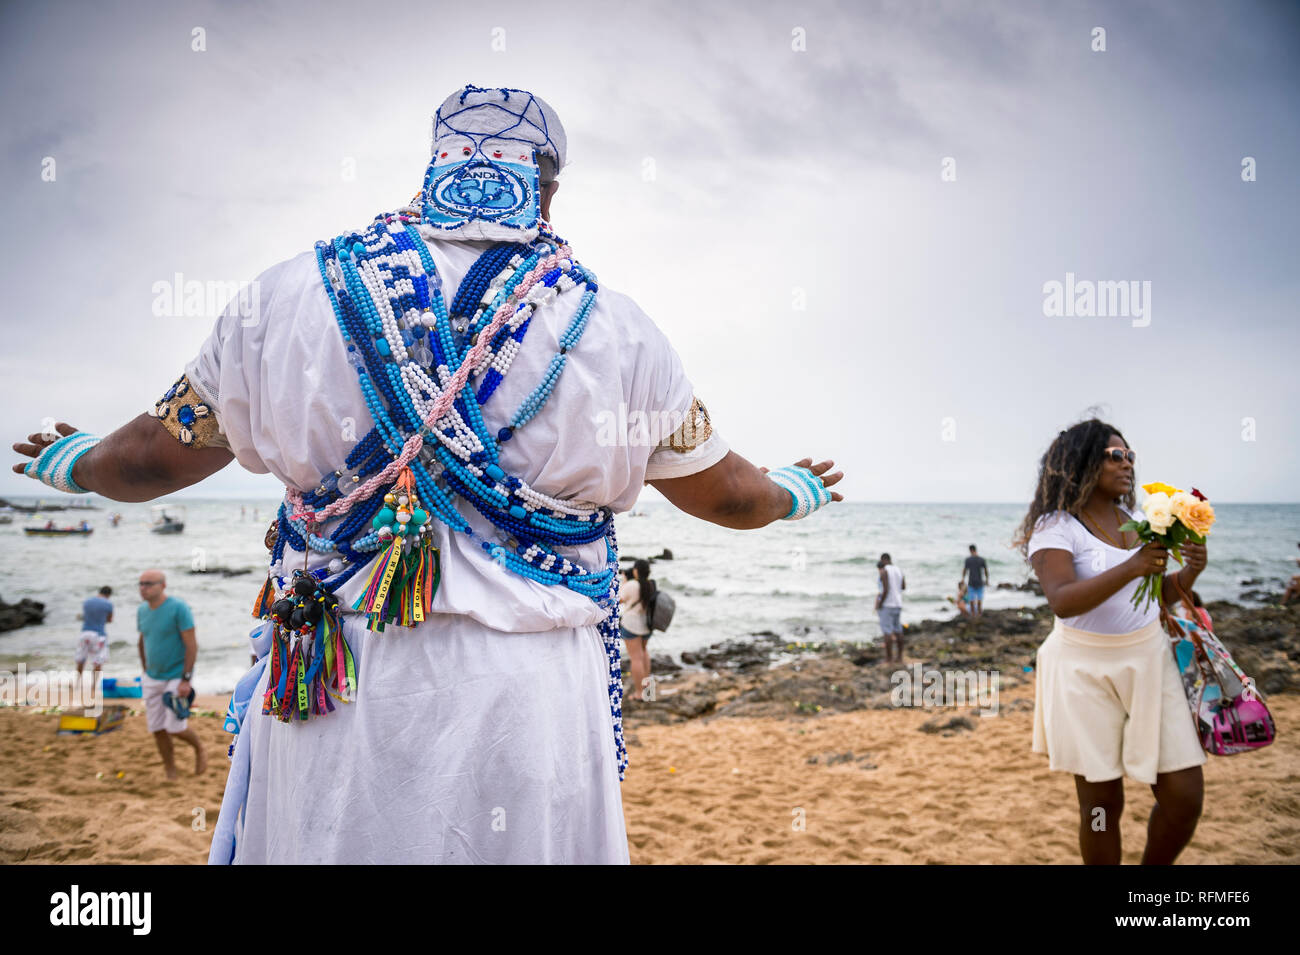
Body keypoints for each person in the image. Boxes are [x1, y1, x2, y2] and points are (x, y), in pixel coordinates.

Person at [13, 84, 843, 865]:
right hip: (531, 698)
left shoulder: (289, 297)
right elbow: (729, 494)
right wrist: (794, 492)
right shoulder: (616, 331)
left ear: (434, 164)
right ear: (548, 190)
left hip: (331, 680)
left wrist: (71, 461)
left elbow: (148, 460)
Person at [1016, 418, 1206, 865]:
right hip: (1083, 670)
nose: (1127, 464)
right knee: (1102, 807)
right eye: (1115, 456)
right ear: (1080, 462)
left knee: (1184, 796)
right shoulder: (1055, 526)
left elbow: (1158, 596)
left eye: (1130, 456)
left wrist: (1191, 572)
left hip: (1148, 658)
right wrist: (1134, 565)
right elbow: (1062, 600)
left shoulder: (1138, 520)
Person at [136, 569, 206, 780]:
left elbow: (191, 645)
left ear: (162, 585)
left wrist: (186, 679)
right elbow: (143, 640)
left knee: (175, 728)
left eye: (149, 584)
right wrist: (144, 669)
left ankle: (199, 748)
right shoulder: (141, 610)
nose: (143, 588)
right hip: (152, 676)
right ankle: (170, 770)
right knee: (157, 728)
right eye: (140, 584)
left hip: (176, 676)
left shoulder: (178, 608)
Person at [618, 559, 656, 703]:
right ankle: (648, 692)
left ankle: (639, 693)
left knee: (636, 658)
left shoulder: (632, 585)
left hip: (632, 625)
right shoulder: (650, 584)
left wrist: (624, 582)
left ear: (636, 570)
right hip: (647, 625)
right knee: (644, 653)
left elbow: (618, 599)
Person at [75, 585, 114, 675]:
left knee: (81, 660)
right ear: (109, 595)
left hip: (85, 633)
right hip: (99, 635)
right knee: (98, 661)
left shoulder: (87, 602)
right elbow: (109, 620)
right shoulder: (108, 604)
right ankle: (94, 685)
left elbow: (84, 616)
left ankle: (77, 682)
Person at [876, 553, 905, 663]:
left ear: (883, 560)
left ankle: (889, 658)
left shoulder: (884, 571)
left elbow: (885, 589)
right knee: (898, 630)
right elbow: (903, 586)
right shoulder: (899, 570)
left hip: (887, 604)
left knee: (887, 632)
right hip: (898, 603)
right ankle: (900, 657)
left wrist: (880, 603)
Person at [962, 544, 989, 618]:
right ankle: (979, 614)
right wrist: (987, 580)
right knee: (979, 599)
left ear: (970, 550)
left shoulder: (968, 560)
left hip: (971, 582)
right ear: (975, 550)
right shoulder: (981, 559)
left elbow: (965, 570)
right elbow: (986, 571)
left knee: (971, 600)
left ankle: (973, 615)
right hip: (980, 582)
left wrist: (963, 579)